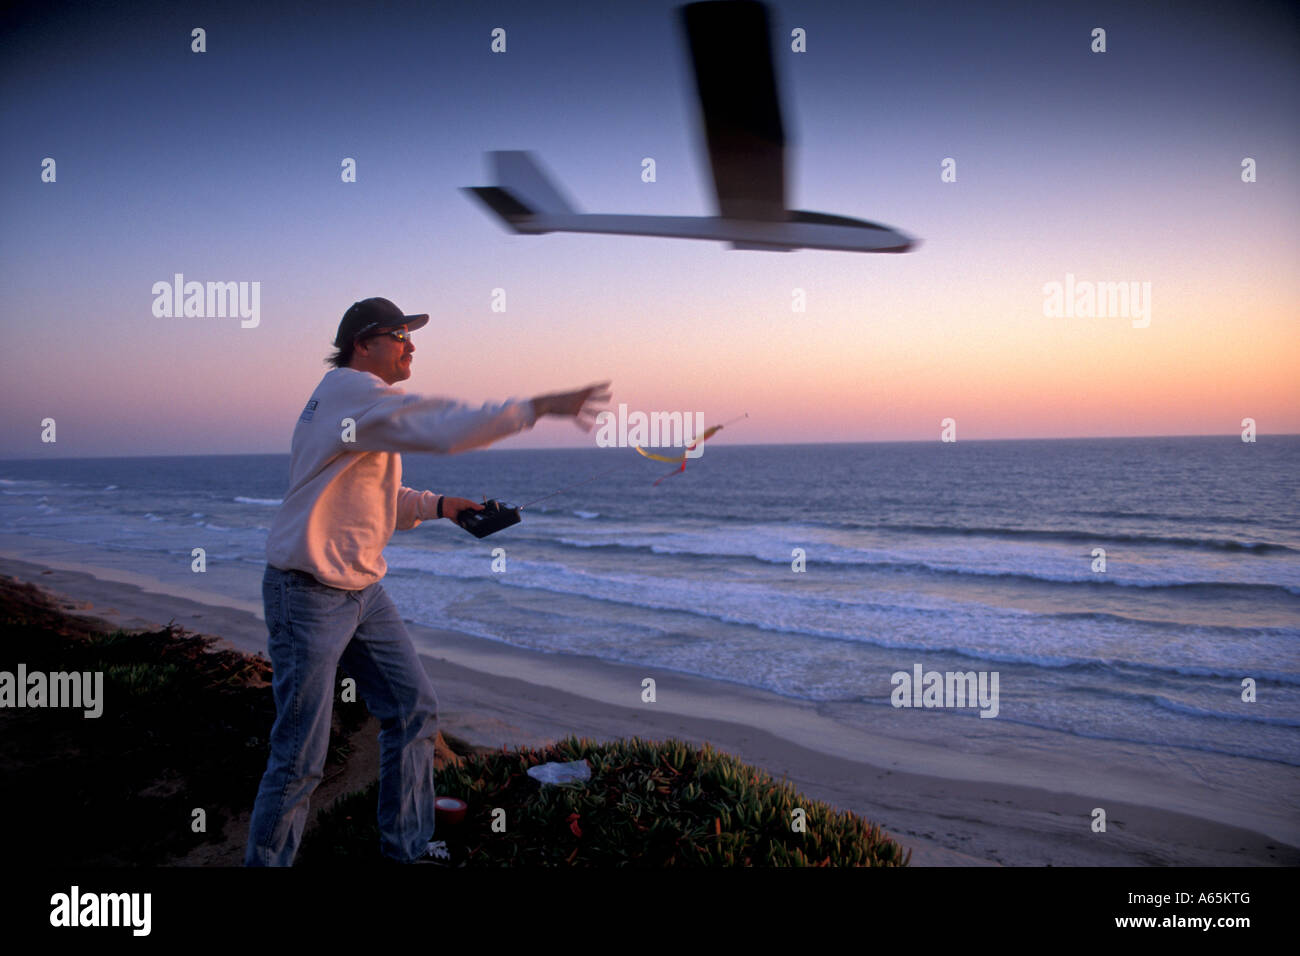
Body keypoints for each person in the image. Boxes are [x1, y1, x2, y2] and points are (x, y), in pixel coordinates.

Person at [244, 296, 609, 866]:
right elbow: (444, 427)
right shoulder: (356, 394)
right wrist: (537, 406)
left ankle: (405, 849)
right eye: (398, 334)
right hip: (309, 593)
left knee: (413, 710)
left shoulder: (352, 405)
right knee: (300, 756)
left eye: (412, 335)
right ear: (363, 344)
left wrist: (441, 505)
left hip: (360, 590)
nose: (411, 345)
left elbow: (371, 494)